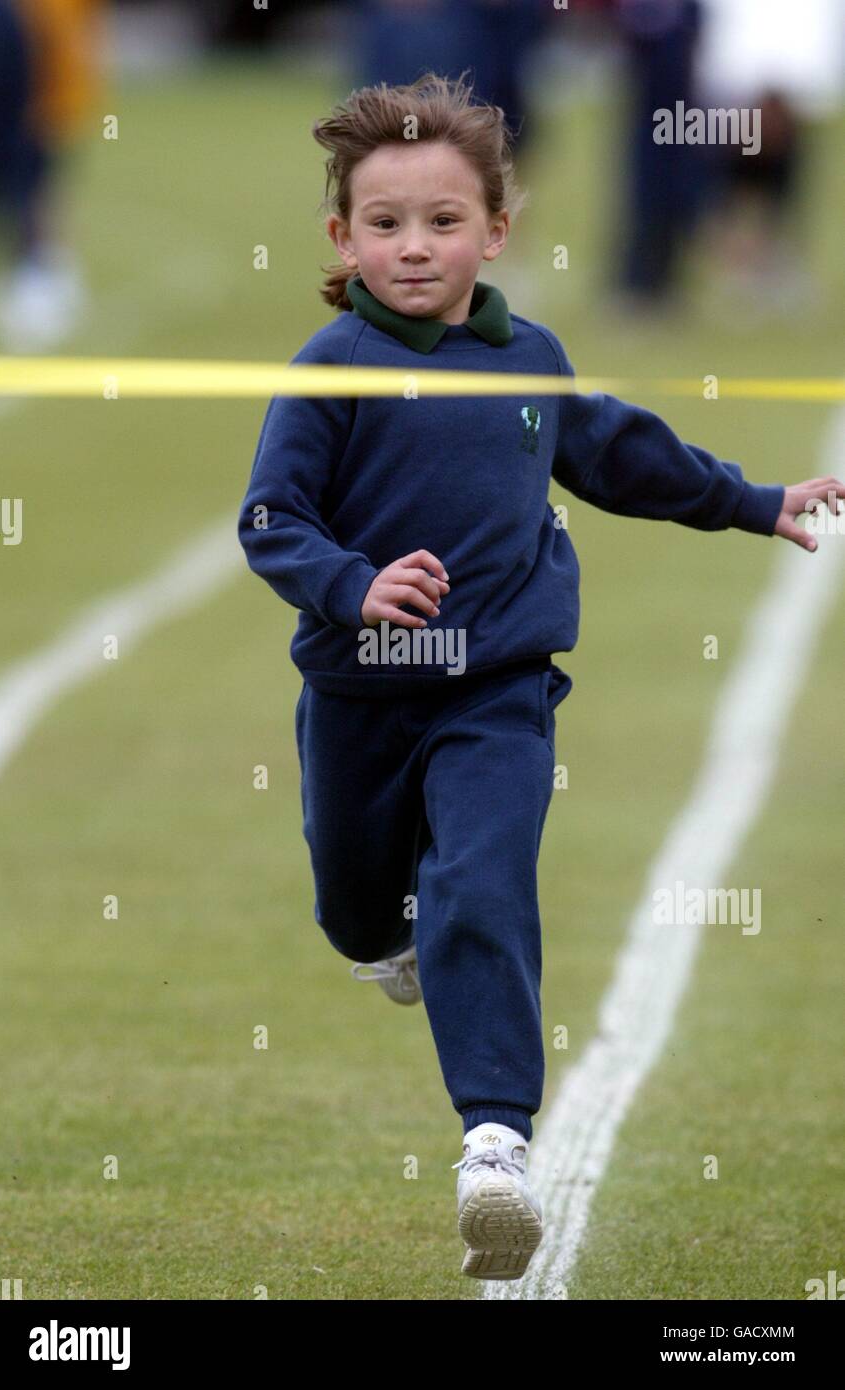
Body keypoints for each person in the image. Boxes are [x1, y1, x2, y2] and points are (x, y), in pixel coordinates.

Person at [237, 72, 842, 1282]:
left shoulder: (531, 359)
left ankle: (494, 1147)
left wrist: (750, 501)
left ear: (496, 230)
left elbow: (621, 454)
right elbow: (269, 519)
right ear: (340, 236)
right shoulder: (329, 365)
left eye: (444, 222)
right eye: (387, 224)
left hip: (495, 688)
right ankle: (380, 938)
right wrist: (353, 583)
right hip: (361, 694)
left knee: (477, 883)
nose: (415, 248)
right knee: (360, 909)